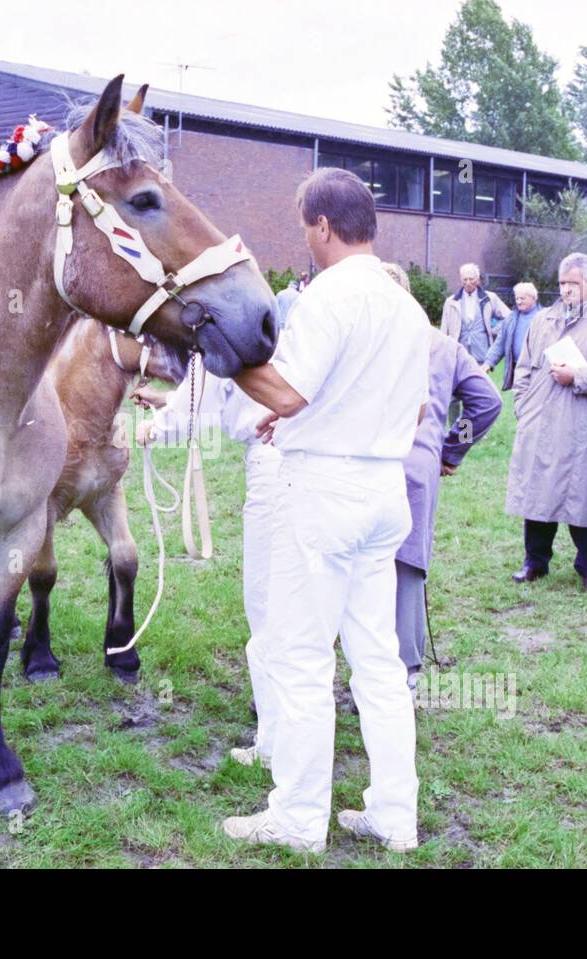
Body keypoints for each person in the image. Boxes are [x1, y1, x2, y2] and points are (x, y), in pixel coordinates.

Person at [223, 167, 430, 853]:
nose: (303, 238)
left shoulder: (328, 294)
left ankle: (298, 816)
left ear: (321, 225)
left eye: (303, 225)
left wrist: (220, 352)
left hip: (325, 489)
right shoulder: (407, 304)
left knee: (302, 655)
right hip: (384, 487)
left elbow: (284, 392)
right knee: (379, 660)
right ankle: (395, 813)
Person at [133, 368, 279, 767]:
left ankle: (275, 745)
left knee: (267, 612)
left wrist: (155, 429)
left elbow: (204, 395)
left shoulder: (229, 317)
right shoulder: (398, 318)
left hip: (276, 459)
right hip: (368, 476)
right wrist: (169, 400)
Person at [505, 252, 587, 593]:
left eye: (573, 284)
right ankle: (535, 560)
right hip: (541, 422)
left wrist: (579, 376)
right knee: (538, 492)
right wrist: (524, 406)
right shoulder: (544, 320)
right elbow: (524, 368)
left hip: (582, 424)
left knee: (583, 495)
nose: (566, 290)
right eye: (562, 283)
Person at [398, 323, 502, 693]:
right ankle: (403, 677)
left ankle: (299, 678)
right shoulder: (442, 344)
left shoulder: (355, 327)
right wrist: (449, 448)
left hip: (356, 464)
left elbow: (488, 403)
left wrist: (453, 447)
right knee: (405, 568)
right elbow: (487, 402)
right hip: (415, 467)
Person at [439, 263, 510, 366]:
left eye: (471, 279)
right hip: (458, 354)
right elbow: (443, 330)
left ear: (478, 279)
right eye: (465, 279)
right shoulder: (450, 302)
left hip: (482, 354)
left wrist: (494, 330)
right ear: (461, 279)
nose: (468, 283)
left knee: (480, 382)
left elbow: (509, 317)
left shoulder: (490, 298)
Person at [482, 282, 540, 390]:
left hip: (538, 371)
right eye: (517, 298)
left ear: (533, 298)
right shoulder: (510, 319)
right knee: (520, 403)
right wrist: (488, 363)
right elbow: (499, 344)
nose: (518, 302)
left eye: (522, 298)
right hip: (518, 369)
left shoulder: (544, 317)